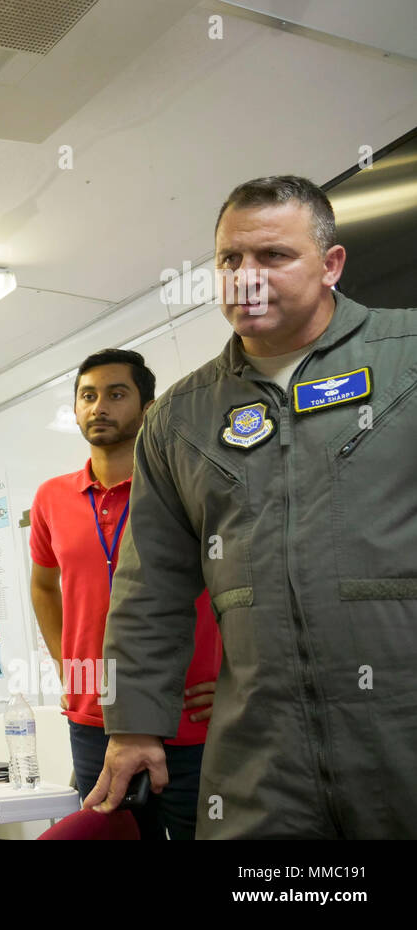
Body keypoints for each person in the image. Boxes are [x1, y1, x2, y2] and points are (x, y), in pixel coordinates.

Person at [87, 175, 417, 839]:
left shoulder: (406, 359)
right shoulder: (180, 418)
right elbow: (149, 586)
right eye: (229, 260)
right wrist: (134, 726)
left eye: (273, 256)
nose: (245, 278)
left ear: (331, 266)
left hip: (400, 724)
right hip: (262, 752)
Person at [29, 349, 221, 840]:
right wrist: (64, 662)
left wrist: (238, 673)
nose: (99, 407)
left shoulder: (183, 486)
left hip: (188, 710)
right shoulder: (51, 497)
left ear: (149, 406)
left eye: (117, 394)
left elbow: (239, 581)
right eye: (88, 396)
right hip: (94, 714)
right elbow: (44, 585)